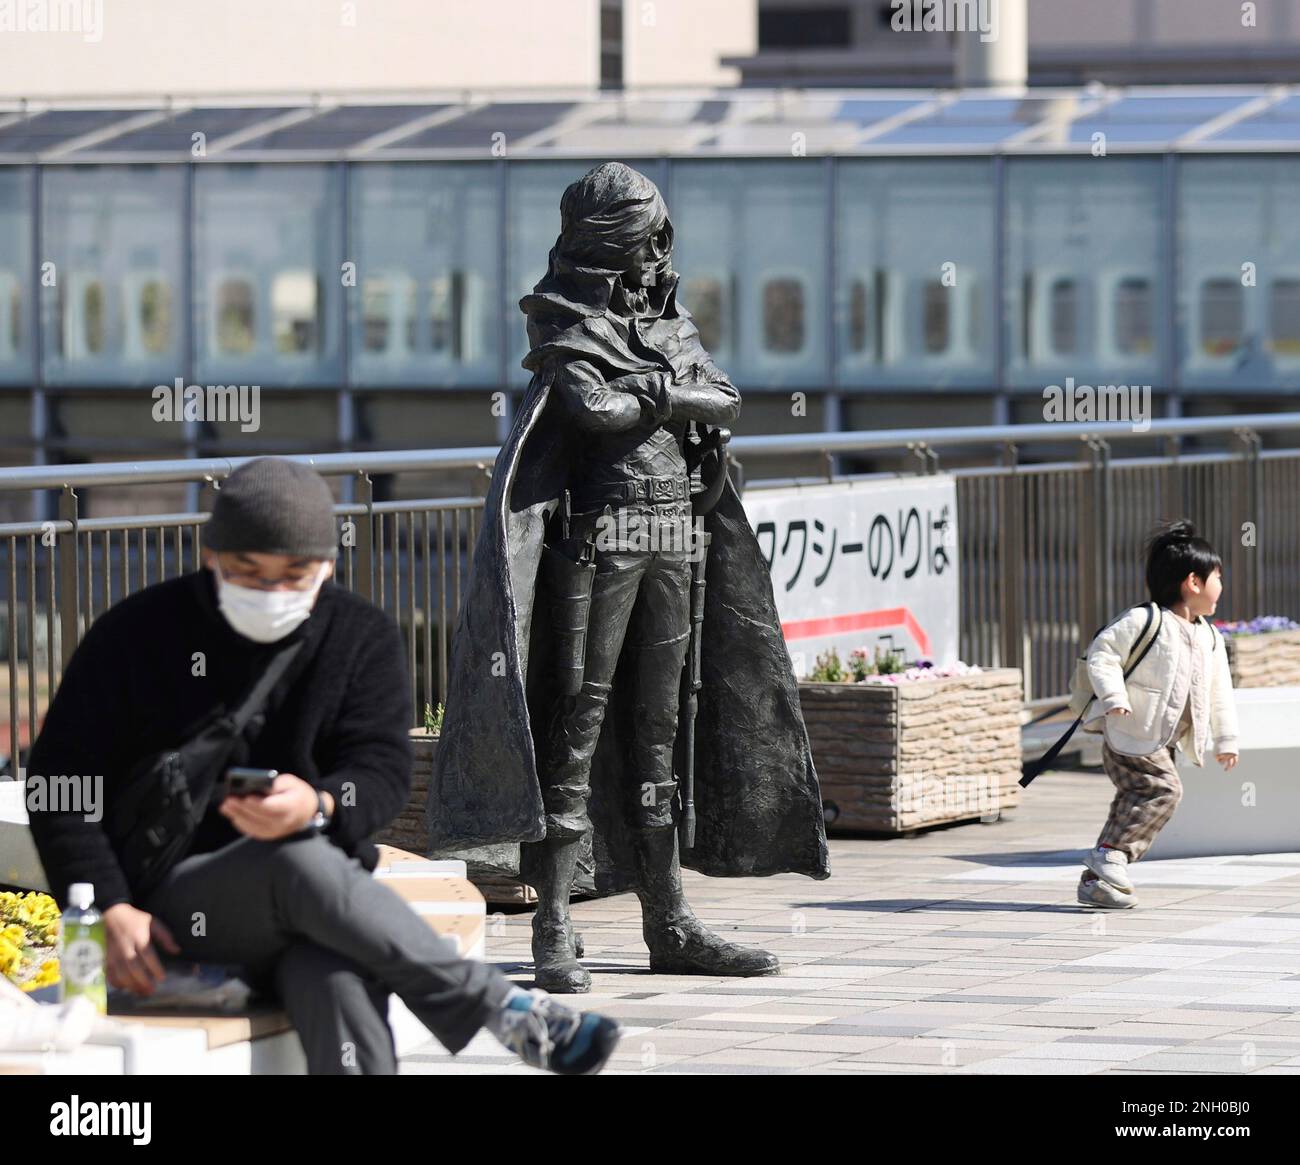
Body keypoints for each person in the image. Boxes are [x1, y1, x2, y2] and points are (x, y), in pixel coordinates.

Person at [26, 457, 620, 1074]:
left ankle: (510, 1016)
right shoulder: (138, 633)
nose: (272, 592)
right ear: (211, 558)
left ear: (328, 566)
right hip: (170, 909)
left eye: (295, 574)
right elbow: (60, 784)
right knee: (295, 860)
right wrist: (108, 906)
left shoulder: (358, 636)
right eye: (247, 572)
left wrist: (319, 803)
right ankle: (502, 1008)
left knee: (335, 970)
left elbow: (382, 772)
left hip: (313, 908)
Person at [433, 161, 830, 994]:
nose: (661, 256)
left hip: (676, 538)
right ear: (612, 249)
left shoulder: (669, 328)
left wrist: (651, 390)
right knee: (578, 721)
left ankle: (669, 918)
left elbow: (720, 400)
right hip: (600, 544)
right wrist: (669, 393)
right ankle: (554, 922)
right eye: (647, 240)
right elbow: (592, 411)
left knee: (665, 725)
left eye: (663, 239)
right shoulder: (566, 333)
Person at [1078, 520, 1239, 908]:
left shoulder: (1209, 636)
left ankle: (1097, 882)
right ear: (1193, 583)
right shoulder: (1144, 620)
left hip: (1161, 738)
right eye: (1217, 576)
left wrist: (1226, 739)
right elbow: (1103, 655)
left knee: (1134, 795)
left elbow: (1220, 692)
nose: (1222, 584)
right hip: (1129, 729)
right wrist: (1114, 696)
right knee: (1164, 790)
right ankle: (1112, 854)